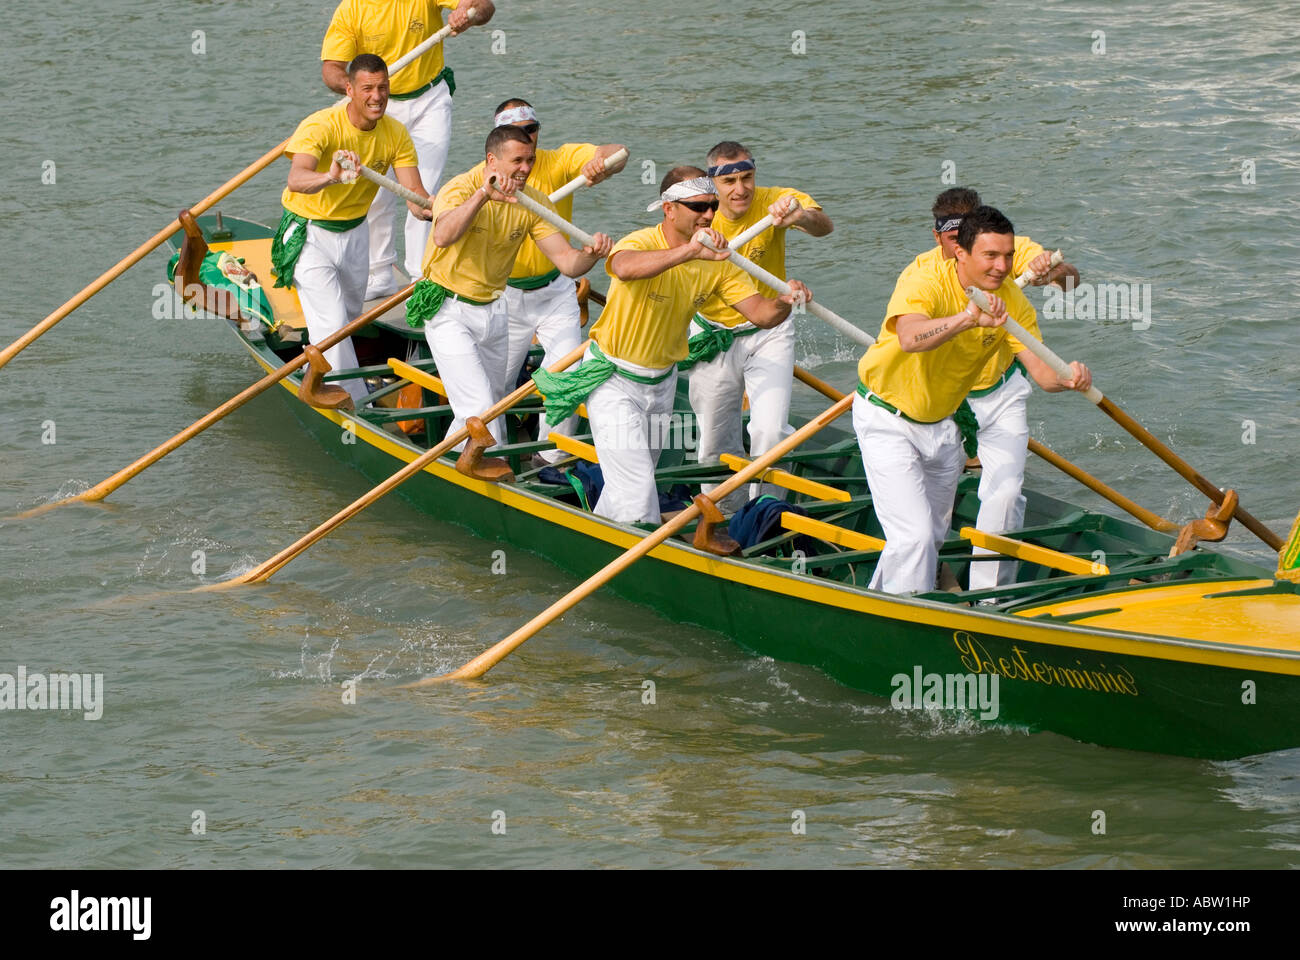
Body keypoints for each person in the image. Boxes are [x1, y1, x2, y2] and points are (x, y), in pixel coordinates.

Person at [533, 167, 812, 525]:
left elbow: (760, 314)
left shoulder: (718, 263)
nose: (709, 214)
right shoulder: (642, 241)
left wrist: (786, 302)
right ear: (669, 209)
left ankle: (591, 536)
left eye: (712, 205)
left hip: (661, 386)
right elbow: (624, 266)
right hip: (614, 382)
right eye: (697, 206)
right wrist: (687, 254)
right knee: (637, 496)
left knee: (632, 487)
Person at [856, 206, 1092, 595]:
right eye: (990, 256)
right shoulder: (924, 280)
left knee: (930, 539)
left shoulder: (1013, 301)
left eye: (1008, 257)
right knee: (913, 538)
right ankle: (912, 629)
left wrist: (1072, 379)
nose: (1002, 267)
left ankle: (890, 599)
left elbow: (1044, 374)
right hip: (887, 418)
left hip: (944, 425)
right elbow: (908, 337)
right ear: (959, 253)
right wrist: (968, 319)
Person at [412, 125, 611, 448]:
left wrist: (590, 255)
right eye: (518, 161)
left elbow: (566, 262)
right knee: (478, 409)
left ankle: (463, 460)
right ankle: (482, 464)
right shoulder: (460, 188)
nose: (526, 169)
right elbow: (442, 236)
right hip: (449, 310)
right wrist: (482, 197)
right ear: (492, 160)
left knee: (493, 406)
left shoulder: (532, 201)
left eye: (530, 160)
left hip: (494, 310)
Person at [273, 54, 432, 405]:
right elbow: (296, 179)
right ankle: (356, 403)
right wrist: (329, 177)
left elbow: (415, 197)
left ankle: (312, 367)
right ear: (349, 89)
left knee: (347, 320)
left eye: (383, 88)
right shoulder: (321, 126)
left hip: (356, 234)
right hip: (310, 234)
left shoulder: (395, 133)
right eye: (368, 89)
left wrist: (451, 209)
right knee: (331, 324)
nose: (377, 97)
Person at [684, 141, 833, 511]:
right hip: (713, 334)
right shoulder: (700, 214)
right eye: (730, 180)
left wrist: (798, 216)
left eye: (747, 177)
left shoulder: (779, 201)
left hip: (771, 331)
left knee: (768, 432)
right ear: (712, 184)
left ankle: (763, 513)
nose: (741, 189)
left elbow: (824, 227)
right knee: (714, 444)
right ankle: (723, 515)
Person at [480, 98, 627, 464]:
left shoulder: (560, 160)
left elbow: (620, 153)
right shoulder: (484, 178)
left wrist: (602, 165)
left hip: (557, 289)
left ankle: (551, 457)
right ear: (497, 145)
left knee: (566, 374)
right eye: (517, 135)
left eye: (532, 130)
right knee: (496, 383)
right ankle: (492, 456)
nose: (528, 140)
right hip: (506, 295)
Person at [321, 0, 496, 299]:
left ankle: (421, 275)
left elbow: (484, 7)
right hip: (379, 105)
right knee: (377, 193)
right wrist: (353, 86)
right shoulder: (351, 9)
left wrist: (467, 14)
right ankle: (379, 273)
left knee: (422, 191)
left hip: (429, 99)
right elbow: (332, 68)